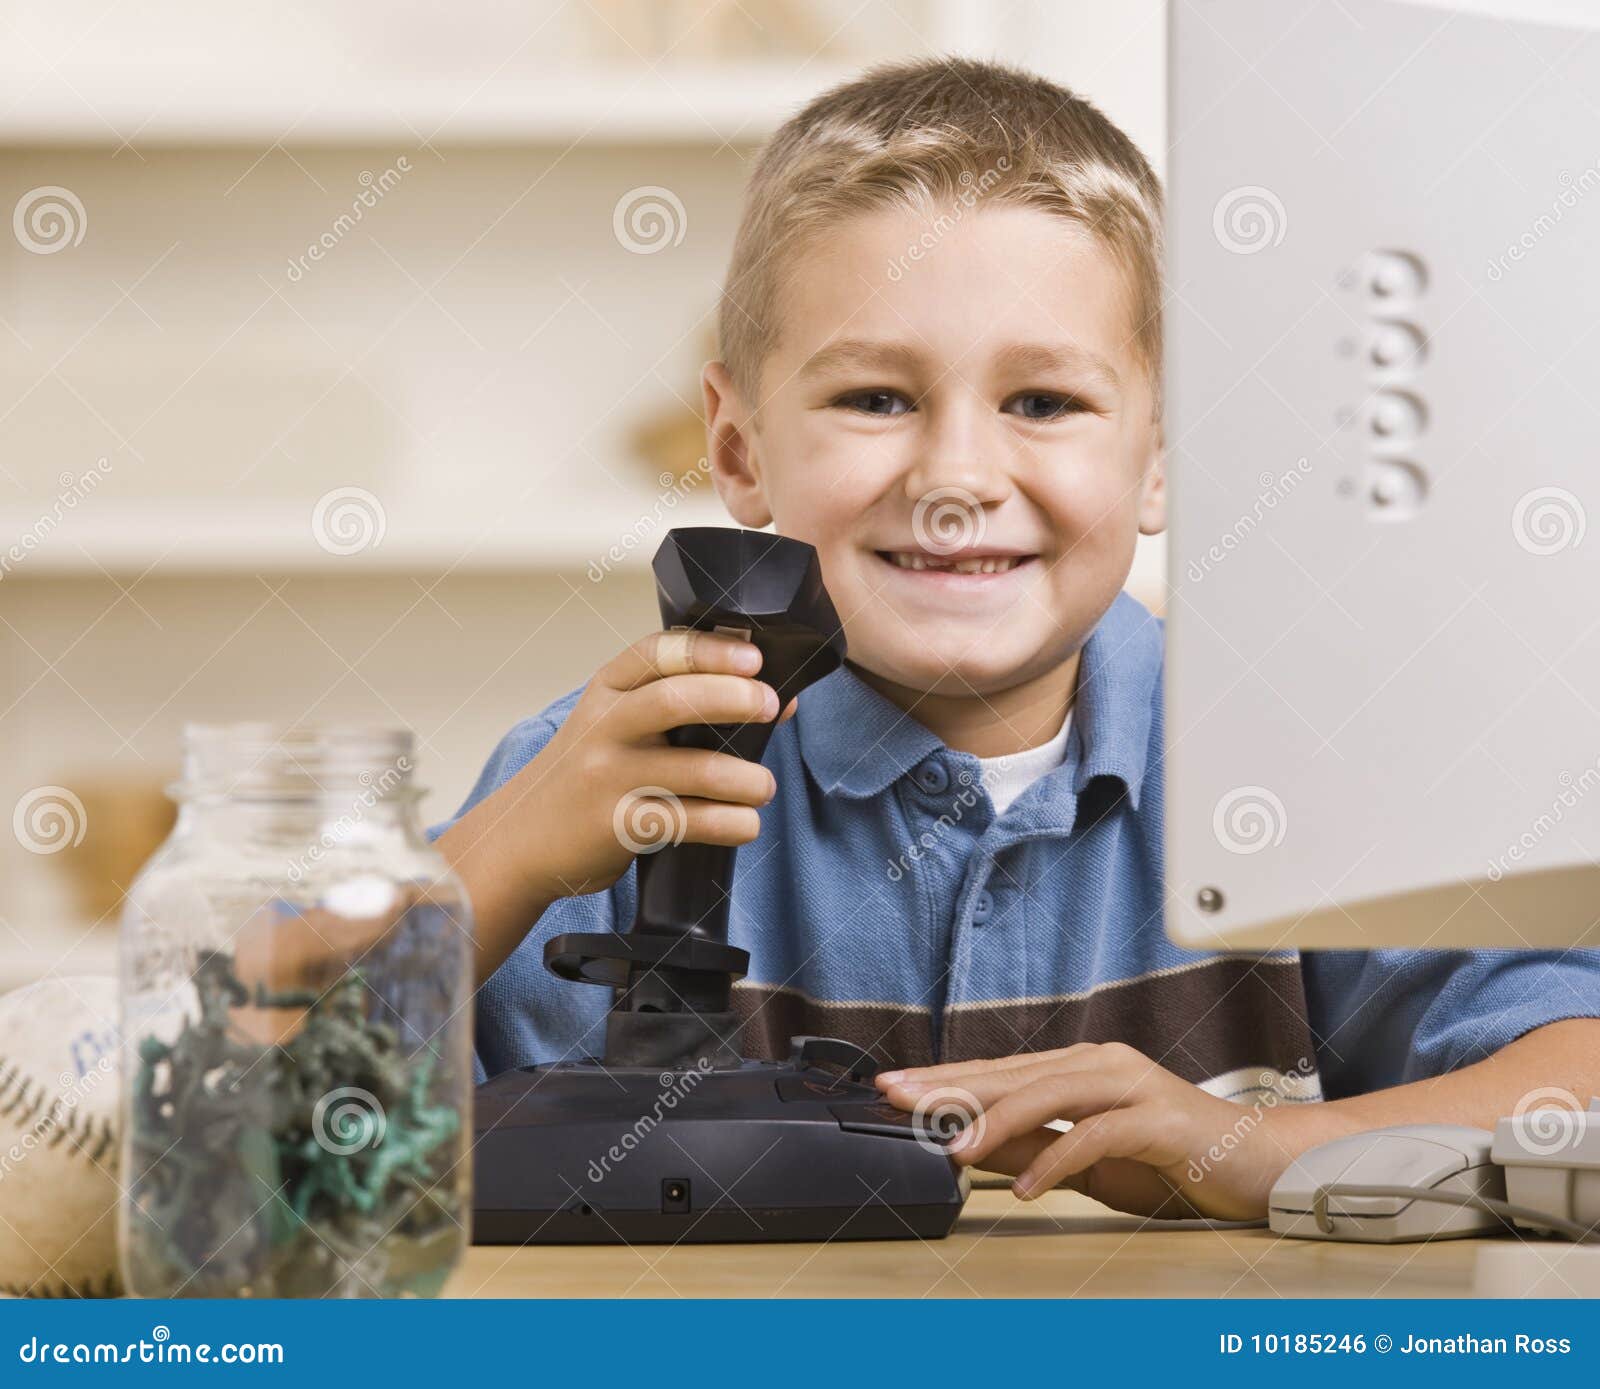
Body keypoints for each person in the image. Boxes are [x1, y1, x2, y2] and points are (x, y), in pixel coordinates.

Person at [432, 57, 1600, 1219]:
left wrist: (1250, 1147)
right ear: (738, 452)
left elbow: (1577, 1087)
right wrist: (496, 860)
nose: (955, 481)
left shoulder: (1319, 767)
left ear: (1158, 457)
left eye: (1041, 403)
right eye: (875, 399)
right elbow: (296, 1142)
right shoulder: (606, 780)